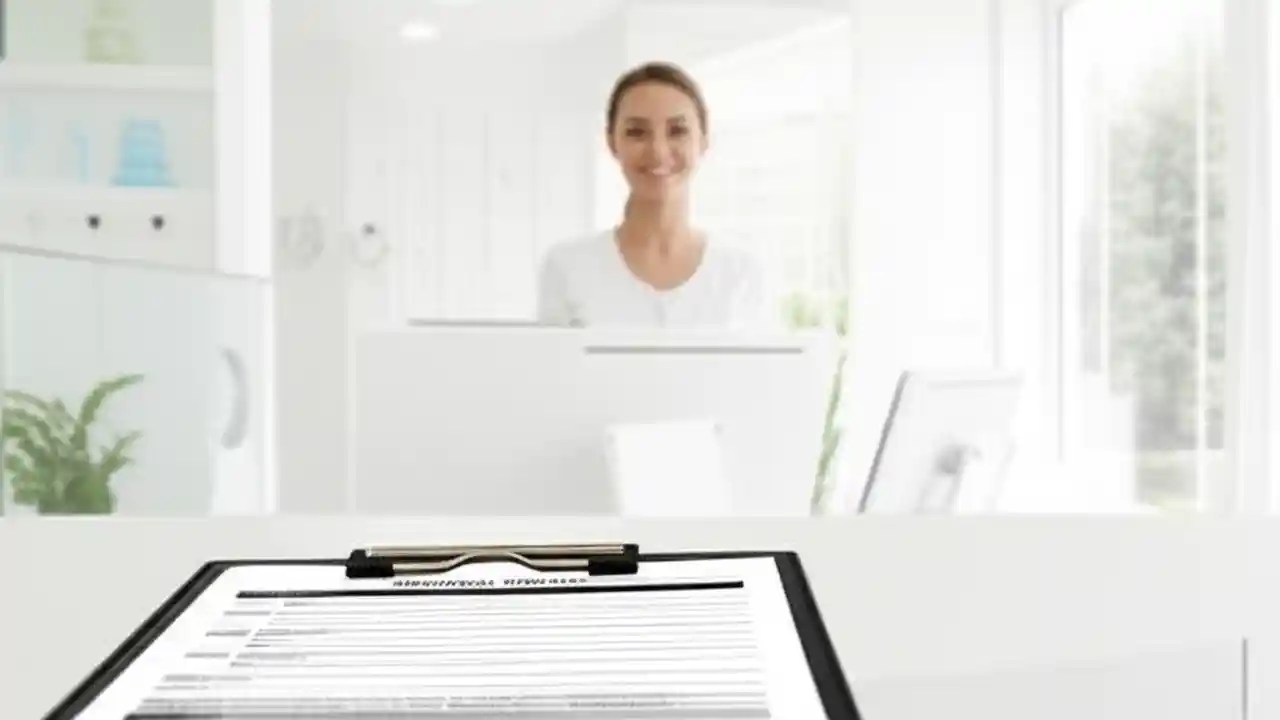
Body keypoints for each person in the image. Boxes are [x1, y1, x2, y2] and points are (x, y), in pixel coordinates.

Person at [537, 61, 772, 329]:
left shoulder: (741, 273)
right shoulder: (568, 267)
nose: (658, 151)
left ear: (704, 141)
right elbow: (552, 370)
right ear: (612, 142)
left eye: (678, 131)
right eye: (637, 132)